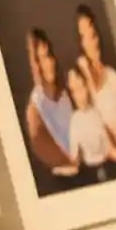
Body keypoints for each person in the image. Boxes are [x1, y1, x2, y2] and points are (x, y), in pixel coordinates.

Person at [75, 4, 116, 161]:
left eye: (93, 34)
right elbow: (92, 121)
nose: (91, 42)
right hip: (103, 160)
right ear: (80, 42)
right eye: (84, 37)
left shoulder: (114, 77)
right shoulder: (80, 80)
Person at [23, 29, 76, 176]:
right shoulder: (35, 110)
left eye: (50, 55)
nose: (51, 62)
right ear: (36, 65)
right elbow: (42, 150)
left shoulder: (66, 97)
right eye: (44, 58)